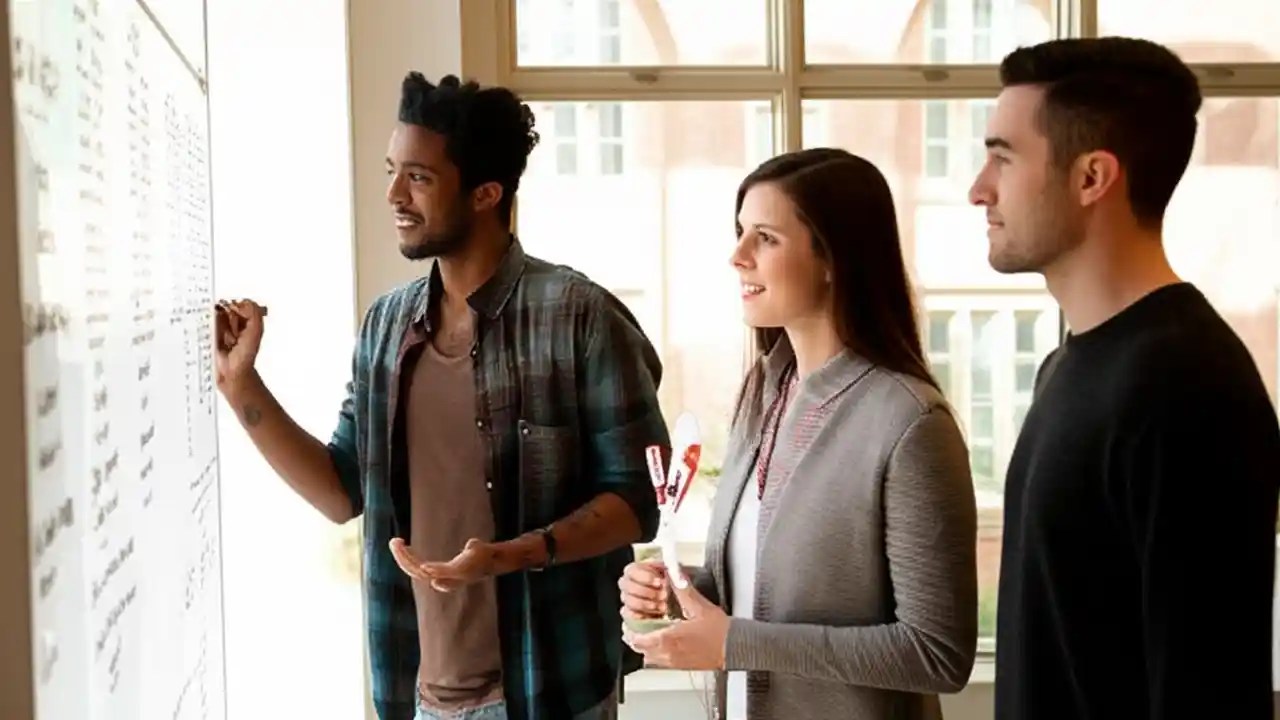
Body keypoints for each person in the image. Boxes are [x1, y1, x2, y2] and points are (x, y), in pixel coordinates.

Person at [214, 73, 669, 720]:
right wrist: (240, 385)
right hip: (419, 696)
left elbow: (638, 498)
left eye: (419, 178)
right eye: (392, 171)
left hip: (550, 692)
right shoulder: (385, 325)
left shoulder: (580, 316)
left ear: (486, 194)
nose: (394, 195)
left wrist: (510, 555)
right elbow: (342, 491)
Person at [970, 38, 1280, 720]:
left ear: (1092, 177)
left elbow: (1209, 692)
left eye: (1003, 157)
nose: (978, 189)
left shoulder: (1188, 386)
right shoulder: (1067, 365)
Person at [619, 148, 979, 719]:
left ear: (834, 258)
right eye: (741, 232)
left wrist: (735, 642)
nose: (738, 256)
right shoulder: (764, 394)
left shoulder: (910, 424)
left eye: (765, 238)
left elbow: (937, 654)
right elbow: (763, 592)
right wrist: (683, 592)